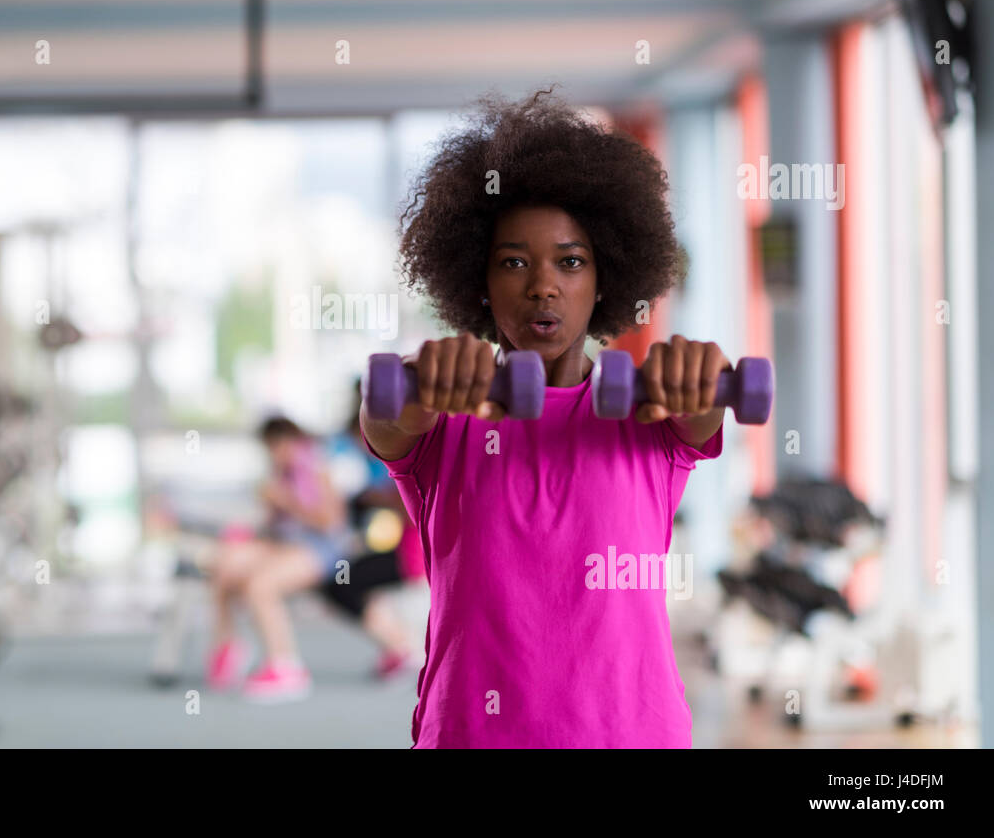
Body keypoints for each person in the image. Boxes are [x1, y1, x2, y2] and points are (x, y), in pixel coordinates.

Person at [359, 86, 728, 748]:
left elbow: (703, 414)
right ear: (478, 280)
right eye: (513, 263)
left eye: (570, 261)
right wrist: (426, 378)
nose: (543, 285)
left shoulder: (651, 410)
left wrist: (701, 373)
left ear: (605, 277)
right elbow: (385, 415)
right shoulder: (444, 416)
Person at [206, 416, 350, 701]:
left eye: (275, 446)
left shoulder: (317, 468)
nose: (273, 453)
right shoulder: (278, 471)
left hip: (323, 550)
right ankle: (229, 646)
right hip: (284, 544)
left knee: (260, 585)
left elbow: (330, 522)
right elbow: (276, 527)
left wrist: (286, 502)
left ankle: (286, 668)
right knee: (225, 562)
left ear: (291, 442)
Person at [320, 382, 426, 680]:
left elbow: (408, 507)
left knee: (341, 583)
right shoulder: (353, 454)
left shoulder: (403, 450)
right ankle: (400, 645)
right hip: (390, 543)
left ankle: (403, 646)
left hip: (411, 552)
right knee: (343, 580)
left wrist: (371, 495)